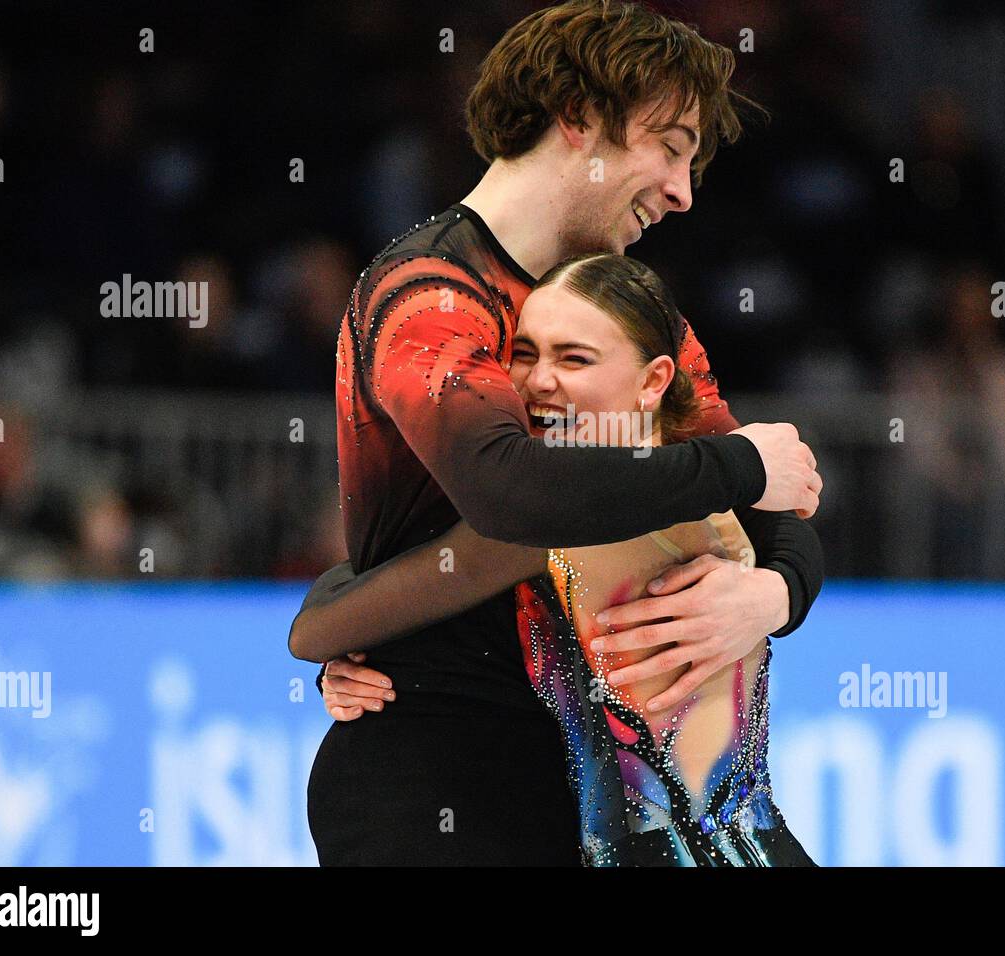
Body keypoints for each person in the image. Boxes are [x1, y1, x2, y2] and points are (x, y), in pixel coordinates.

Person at [294, 0, 824, 866]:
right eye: (672, 147)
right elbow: (512, 498)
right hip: (444, 783)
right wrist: (735, 464)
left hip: (623, 784)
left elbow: (782, 519)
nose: (685, 193)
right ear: (579, 119)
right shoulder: (429, 292)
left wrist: (769, 600)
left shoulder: (635, 311)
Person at [298, 253, 816, 865]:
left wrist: (358, 637)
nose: (540, 380)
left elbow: (322, 626)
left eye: (574, 359)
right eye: (524, 354)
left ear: (653, 381)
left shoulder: (592, 520)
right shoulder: (682, 500)